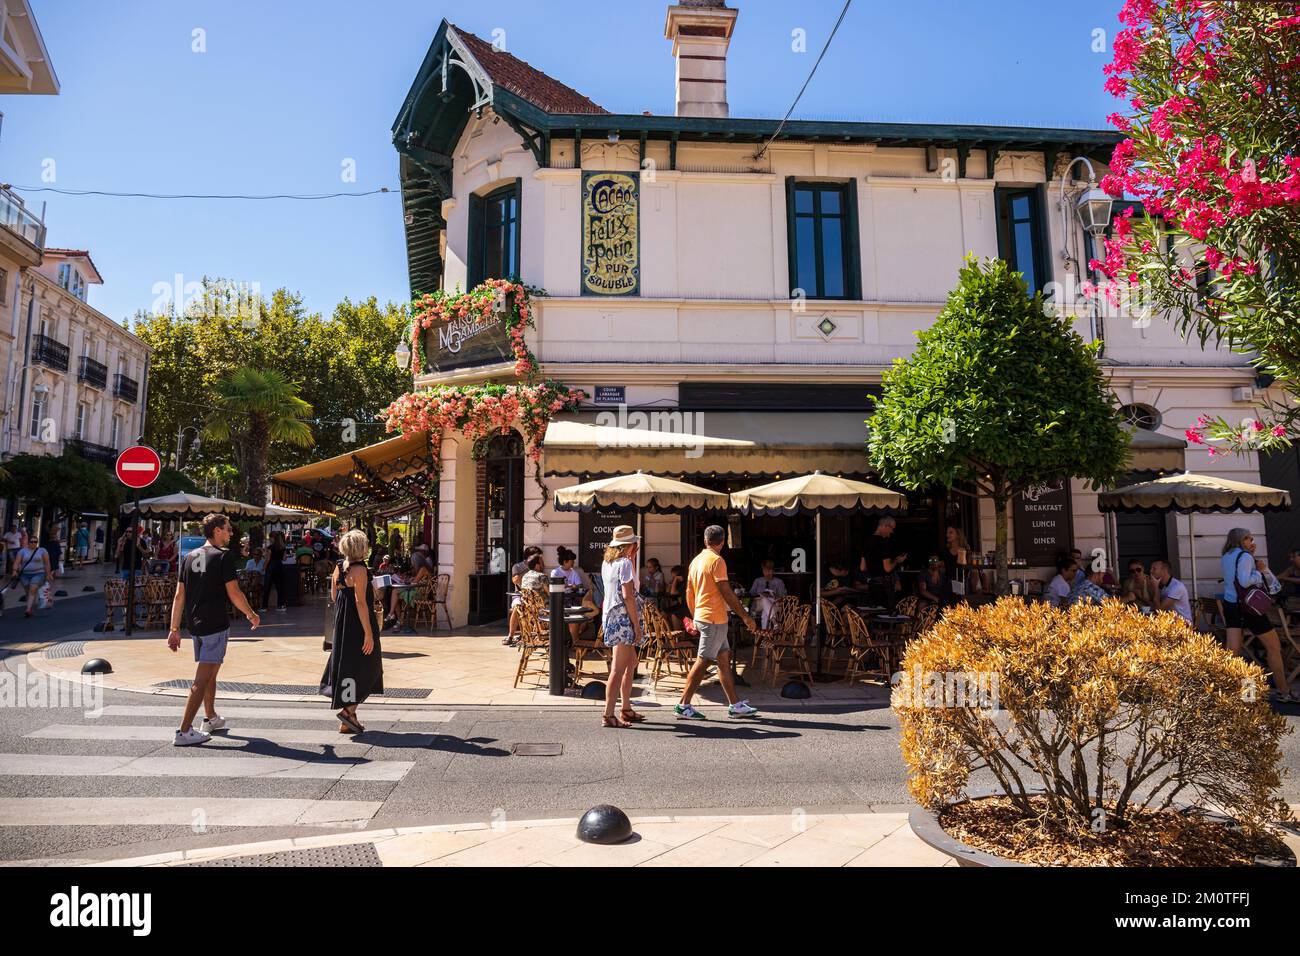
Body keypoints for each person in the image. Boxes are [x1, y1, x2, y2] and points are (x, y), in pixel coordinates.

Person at [166, 514, 261, 746]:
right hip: (215, 624)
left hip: (195, 625)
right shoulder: (222, 557)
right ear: (216, 531)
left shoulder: (189, 557)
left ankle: (210, 718)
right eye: (228, 530)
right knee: (202, 677)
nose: (230, 534)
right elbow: (234, 592)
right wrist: (251, 613)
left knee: (211, 673)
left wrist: (174, 628)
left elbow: (180, 595)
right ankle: (184, 731)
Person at [676, 524, 759, 720]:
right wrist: (745, 616)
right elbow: (726, 592)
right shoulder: (717, 561)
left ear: (705, 540)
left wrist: (695, 614)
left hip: (707, 617)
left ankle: (735, 704)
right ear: (723, 542)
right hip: (713, 618)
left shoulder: (696, 561)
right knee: (703, 661)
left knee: (723, 660)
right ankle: (683, 704)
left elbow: (689, 592)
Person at [1221, 528, 1295, 703]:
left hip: (1231, 605)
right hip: (1249, 606)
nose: (1251, 541)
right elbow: (1245, 580)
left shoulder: (1226, 556)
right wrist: (1259, 571)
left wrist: (1250, 557)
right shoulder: (1245, 557)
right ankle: (1284, 691)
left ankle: (1225, 690)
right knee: (1274, 647)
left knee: (1232, 650)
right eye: (1247, 538)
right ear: (1240, 540)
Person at [320, 530, 383, 735]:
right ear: (361, 547)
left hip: (343, 623)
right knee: (371, 668)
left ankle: (349, 720)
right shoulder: (360, 570)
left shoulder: (339, 567)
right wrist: (368, 633)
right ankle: (348, 712)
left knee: (349, 667)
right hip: (358, 623)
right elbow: (361, 603)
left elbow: (334, 595)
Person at [600, 526, 647, 728]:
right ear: (629, 545)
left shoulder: (608, 563)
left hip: (611, 616)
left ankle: (625, 708)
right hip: (624, 618)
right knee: (618, 669)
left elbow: (627, 585)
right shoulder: (625, 563)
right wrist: (637, 626)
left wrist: (633, 558)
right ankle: (609, 715)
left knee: (631, 663)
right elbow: (628, 595)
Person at [861, 516, 907, 610]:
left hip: (872, 585)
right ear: (885, 526)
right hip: (884, 587)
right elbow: (887, 568)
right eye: (892, 529)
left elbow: (862, 567)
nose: (892, 532)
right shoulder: (884, 543)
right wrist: (897, 561)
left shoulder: (866, 542)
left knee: (874, 615)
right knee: (886, 618)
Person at [504, 545, 544, 646]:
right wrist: (529, 571)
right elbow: (515, 581)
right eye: (538, 557)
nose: (540, 559)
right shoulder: (517, 567)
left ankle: (537, 635)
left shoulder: (539, 565)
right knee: (517, 607)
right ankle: (510, 636)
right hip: (520, 594)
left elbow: (541, 577)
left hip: (536, 596)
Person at [10, 530, 51, 618]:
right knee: (28, 592)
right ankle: (32, 603)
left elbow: (47, 563)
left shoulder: (42, 551)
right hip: (24, 575)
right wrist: (14, 571)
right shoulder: (22, 551)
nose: (33, 543)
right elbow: (17, 562)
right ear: (28, 542)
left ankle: (28, 609)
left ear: (37, 543)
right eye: (31, 542)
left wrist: (48, 574)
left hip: (38, 573)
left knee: (32, 589)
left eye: (35, 542)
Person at [749, 559, 788, 628]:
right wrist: (760, 594)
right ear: (763, 571)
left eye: (770, 571)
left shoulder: (779, 582)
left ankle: (766, 635)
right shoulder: (758, 581)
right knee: (763, 599)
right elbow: (751, 593)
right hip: (758, 604)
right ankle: (774, 622)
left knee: (765, 613)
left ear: (773, 571)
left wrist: (773, 595)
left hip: (774, 604)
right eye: (765, 571)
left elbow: (783, 597)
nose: (767, 573)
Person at [263, 531, 287, 611]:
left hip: (271, 567)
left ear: (273, 538)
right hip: (279, 566)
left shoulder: (270, 548)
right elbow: (284, 558)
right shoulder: (283, 547)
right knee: (280, 587)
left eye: (270, 537)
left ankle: (264, 606)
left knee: (267, 587)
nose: (269, 539)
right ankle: (281, 605)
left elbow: (268, 559)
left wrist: (264, 567)